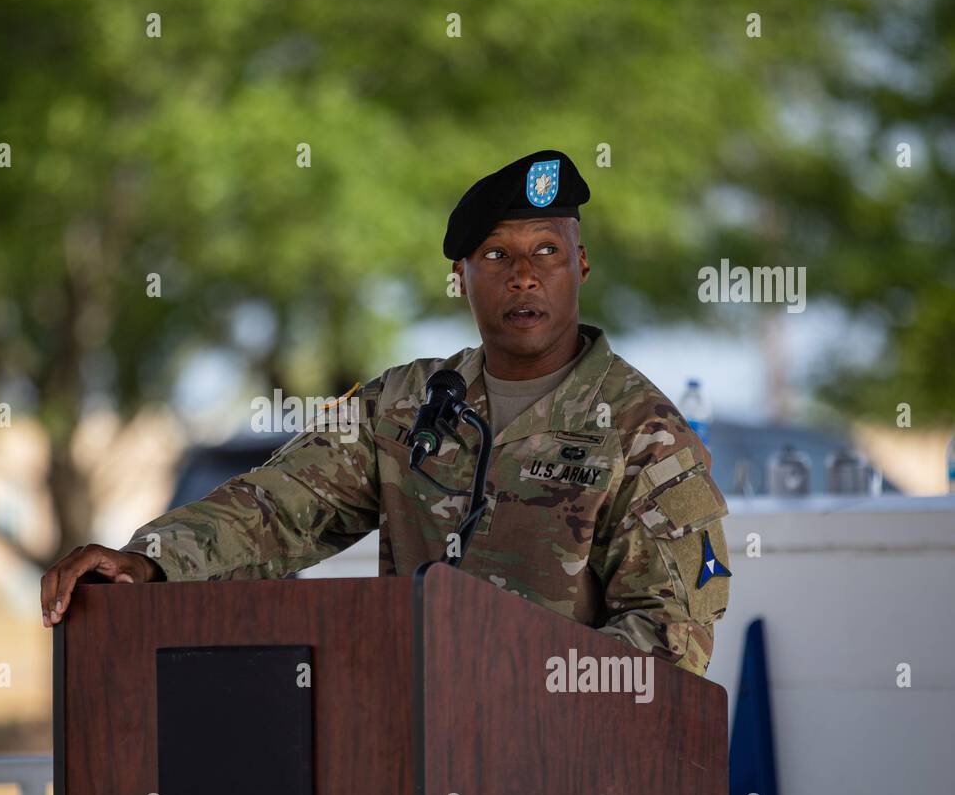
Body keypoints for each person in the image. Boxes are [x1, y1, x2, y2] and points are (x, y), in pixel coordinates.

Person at [41, 149, 731, 676]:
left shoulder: (646, 434)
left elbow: (667, 637)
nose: (523, 276)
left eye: (546, 252)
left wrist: (534, 698)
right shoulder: (405, 405)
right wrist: (147, 561)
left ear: (580, 267)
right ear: (461, 277)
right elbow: (278, 508)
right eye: (497, 255)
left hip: (562, 776)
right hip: (415, 747)